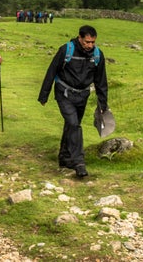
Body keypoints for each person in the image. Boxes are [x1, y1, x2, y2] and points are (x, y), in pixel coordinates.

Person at [38, 25, 109, 178]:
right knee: (74, 124)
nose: (90, 45)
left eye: (93, 42)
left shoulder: (97, 55)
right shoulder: (66, 50)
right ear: (80, 38)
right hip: (64, 93)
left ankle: (64, 158)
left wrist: (103, 104)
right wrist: (44, 95)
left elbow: (101, 80)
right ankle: (79, 162)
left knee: (72, 125)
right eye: (87, 42)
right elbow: (52, 71)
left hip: (82, 96)